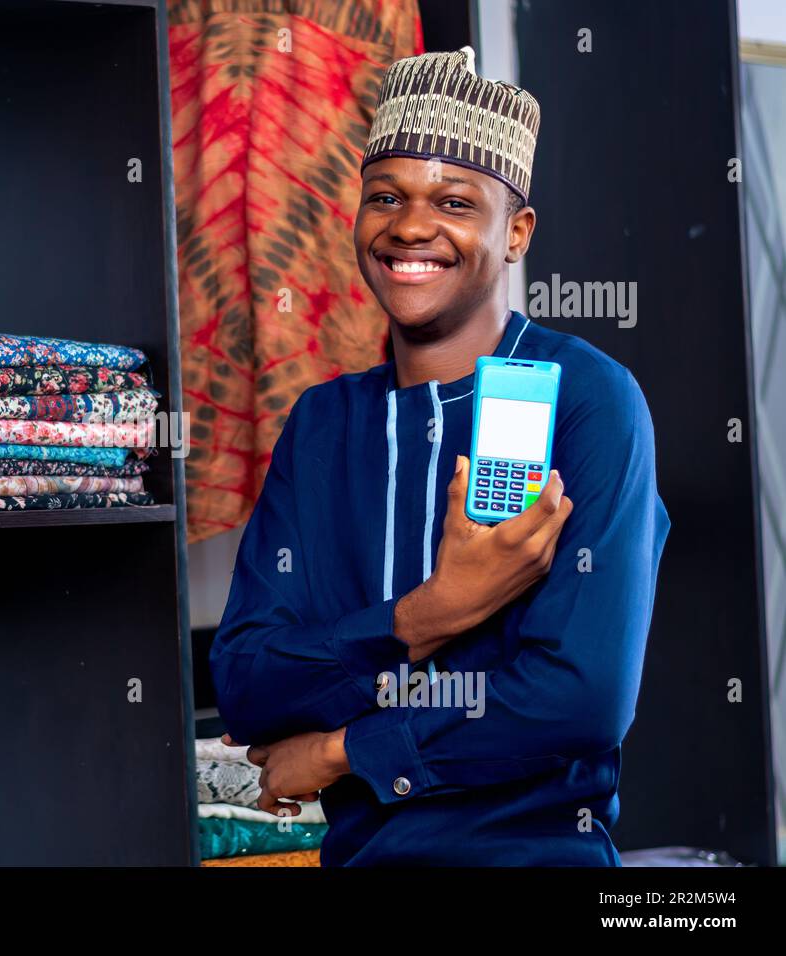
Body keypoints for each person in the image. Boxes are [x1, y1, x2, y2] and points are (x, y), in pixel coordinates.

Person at [209, 47, 670, 866]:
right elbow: (246, 682)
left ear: (516, 231)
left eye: (454, 202)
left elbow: (579, 700)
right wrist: (431, 613)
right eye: (384, 197)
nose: (410, 227)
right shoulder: (324, 424)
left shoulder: (584, 398)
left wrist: (340, 750)